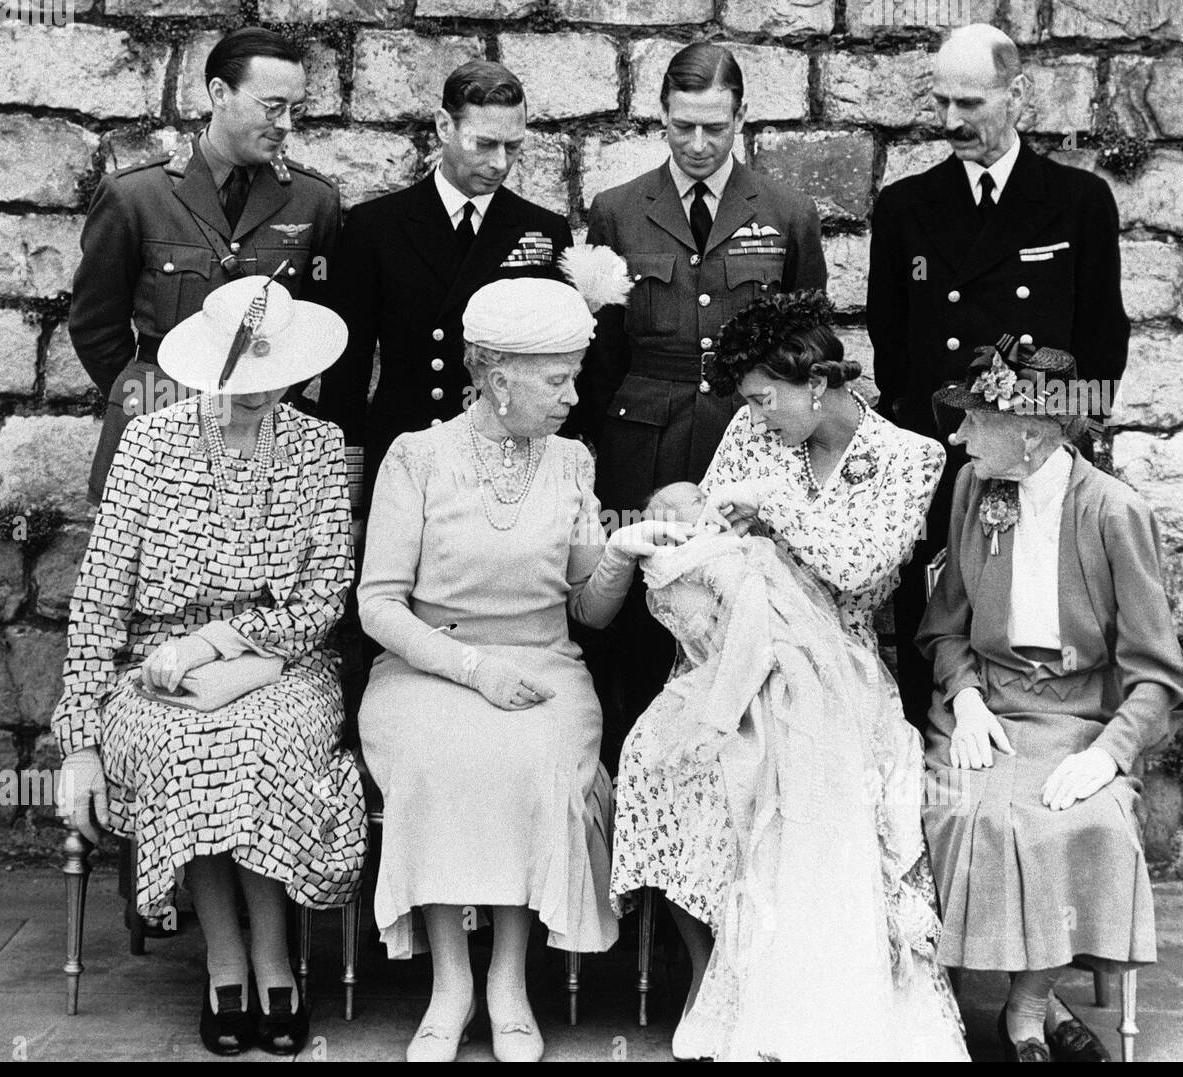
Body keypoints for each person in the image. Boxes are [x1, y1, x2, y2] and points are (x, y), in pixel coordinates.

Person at [356, 273, 689, 1063]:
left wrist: (620, 554)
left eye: (575, 373)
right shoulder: (418, 457)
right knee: (440, 759)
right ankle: (450, 985)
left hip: (544, 663)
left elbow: (588, 610)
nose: (574, 394)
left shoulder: (573, 460)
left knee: (535, 762)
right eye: (558, 378)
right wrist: (473, 671)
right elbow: (378, 606)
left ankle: (508, 981)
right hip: (429, 666)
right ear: (499, 380)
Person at [611, 290, 949, 1058]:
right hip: (735, 651)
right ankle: (718, 973)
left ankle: (801, 996)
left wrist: (773, 507)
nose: (756, 416)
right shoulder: (751, 430)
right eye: (750, 402)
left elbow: (860, 569)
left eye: (767, 399)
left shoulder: (909, 456)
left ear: (819, 385)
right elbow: (712, 537)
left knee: (803, 774)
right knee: (662, 761)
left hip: (844, 663)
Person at [52, 276, 367, 1058]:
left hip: (283, 661)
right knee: (187, 745)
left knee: (256, 740)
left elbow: (324, 596)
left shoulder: (318, 448)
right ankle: (226, 958)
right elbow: (98, 600)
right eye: (240, 379)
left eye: (273, 377)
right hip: (152, 665)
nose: (257, 394)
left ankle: (272, 953)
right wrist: (81, 740)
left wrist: (220, 646)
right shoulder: (149, 444)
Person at [918, 337, 1183, 1061]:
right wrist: (968, 700)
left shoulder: (1113, 512)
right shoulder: (975, 489)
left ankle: (1030, 1005)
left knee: (1072, 823)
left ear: (1032, 435)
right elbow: (944, 625)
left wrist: (1109, 755)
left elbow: (1158, 672)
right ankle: (945, 1006)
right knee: (955, 814)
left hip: (1080, 718)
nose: (957, 436)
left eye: (975, 422)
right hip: (990, 711)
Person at [866, 22, 1129, 728]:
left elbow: (1104, 341)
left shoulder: (1078, 202)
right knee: (939, 629)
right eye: (943, 102)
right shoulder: (905, 209)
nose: (953, 122)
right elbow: (891, 350)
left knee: (1046, 623)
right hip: (945, 456)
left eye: (972, 104)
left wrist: (1055, 443)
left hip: (1041, 461)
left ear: (1019, 96)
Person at [580, 40, 827, 766]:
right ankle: (633, 799)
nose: (696, 143)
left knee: (739, 615)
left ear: (741, 119)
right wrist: (603, 453)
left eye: (714, 128)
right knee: (635, 620)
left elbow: (811, 346)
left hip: (747, 444)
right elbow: (602, 356)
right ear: (660, 115)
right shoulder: (618, 212)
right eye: (681, 125)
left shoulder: (787, 213)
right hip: (642, 447)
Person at [71, 26, 340, 506]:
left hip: (265, 433)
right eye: (271, 106)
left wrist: (262, 398)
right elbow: (95, 324)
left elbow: (314, 320)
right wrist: (151, 393)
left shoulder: (314, 201)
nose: (286, 124)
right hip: (154, 423)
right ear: (220, 93)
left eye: (294, 110)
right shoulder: (135, 196)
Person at [318, 60, 572, 500]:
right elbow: (347, 370)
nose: (499, 163)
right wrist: (351, 494)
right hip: (408, 454)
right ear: (443, 126)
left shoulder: (543, 230)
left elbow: (563, 366)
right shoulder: (376, 226)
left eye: (513, 147)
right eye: (484, 143)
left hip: (508, 459)